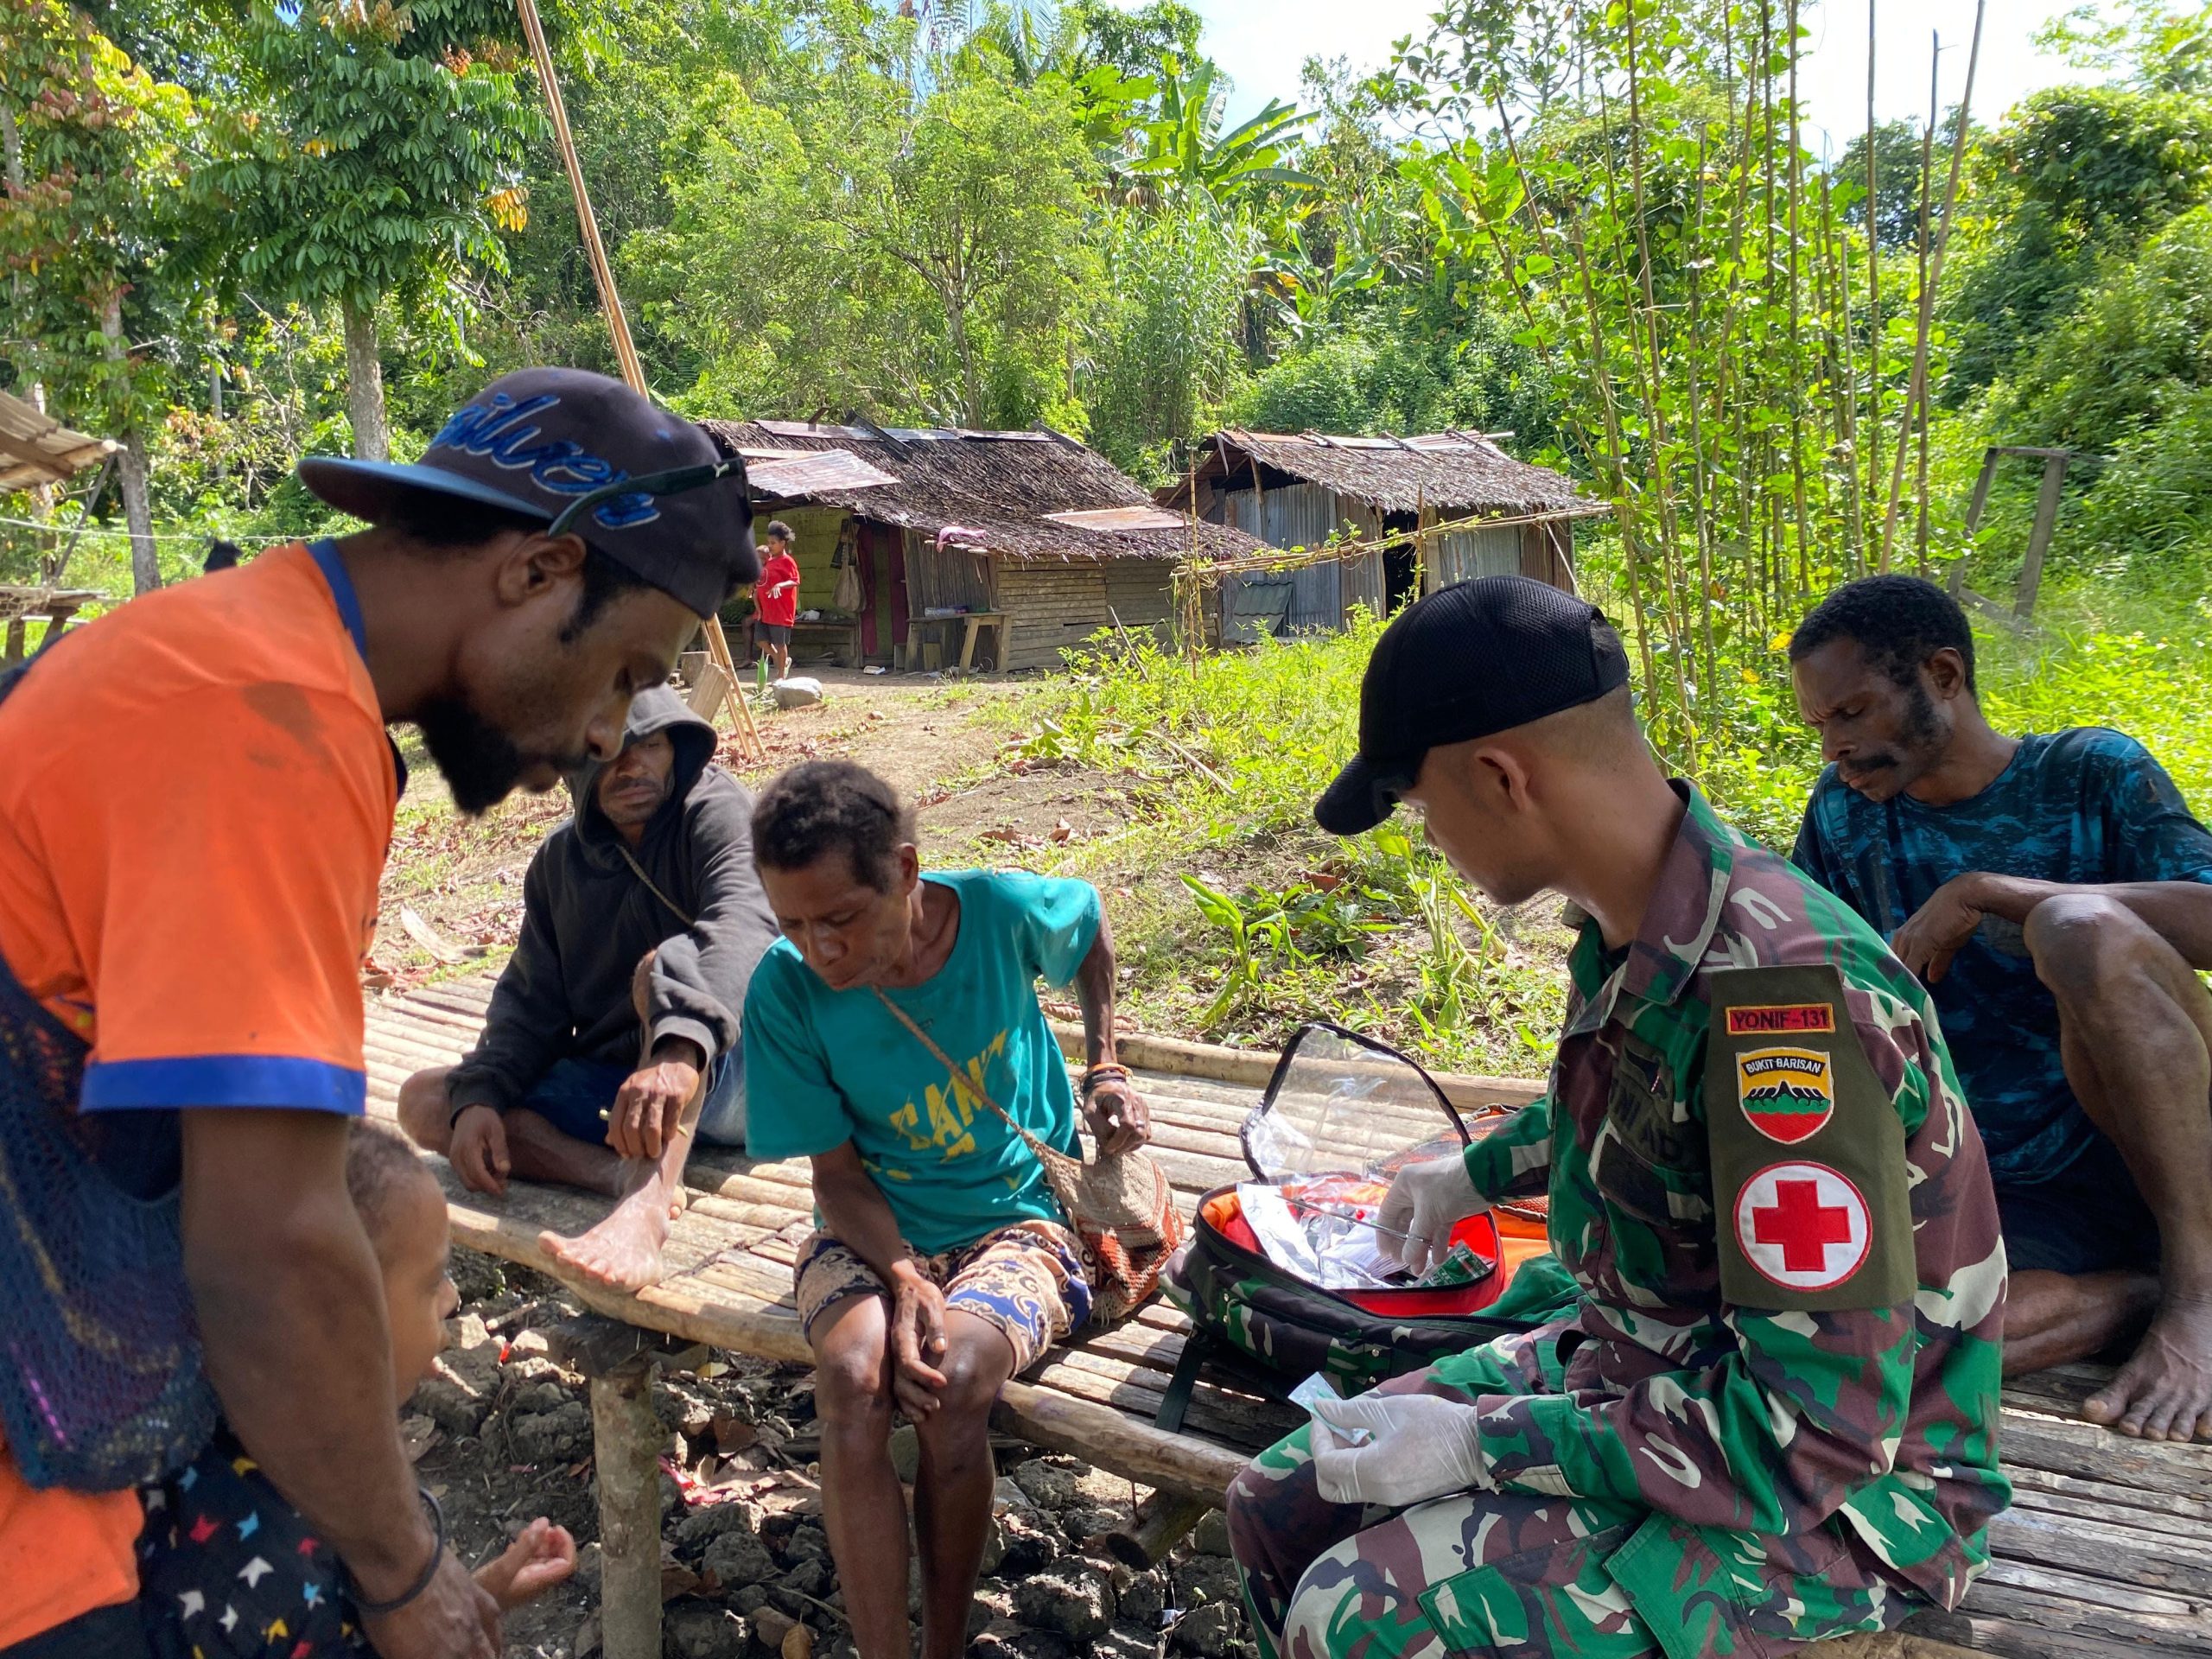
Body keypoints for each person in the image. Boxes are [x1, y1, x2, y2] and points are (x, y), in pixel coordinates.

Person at [0, 366, 755, 1659]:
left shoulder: (228, 643)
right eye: (625, 669)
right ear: (538, 570)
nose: (607, 732)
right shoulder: (270, 719)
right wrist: (409, 1581)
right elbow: (269, 1244)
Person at [1225, 576, 2008, 1659]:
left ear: (1501, 778)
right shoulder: (1640, 926)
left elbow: (1807, 1439)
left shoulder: (1782, 1008)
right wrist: (1472, 1172)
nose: (1427, 835)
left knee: (1359, 1611)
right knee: (1280, 1498)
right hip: (1646, 1364)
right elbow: (1630, 1113)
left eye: (1416, 805)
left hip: (1852, 1501)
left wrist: (1480, 1442)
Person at [1788, 573, 2212, 1443]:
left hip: (2157, 1148)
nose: (1835, 745)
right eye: (1820, 725)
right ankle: (2140, 1289)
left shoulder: (2089, 773)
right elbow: (1801, 983)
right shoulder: (1842, 818)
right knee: (1872, 1349)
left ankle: (2198, 1293)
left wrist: (1991, 892)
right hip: (1999, 1182)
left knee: (2076, 927)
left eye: (1853, 712)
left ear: (1943, 676)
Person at [740, 760, 1148, 1659]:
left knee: (951, 1383)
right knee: (852, 1378)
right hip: (869, 1227)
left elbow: (1087, 926)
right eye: (793, 925)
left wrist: (1106, 1066)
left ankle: (944, 1647)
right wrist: (902, 1278)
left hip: (1019, 1220)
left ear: (906, 871)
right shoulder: (784, 987)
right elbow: (836, 1176)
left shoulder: (997, 913)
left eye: (840, 919)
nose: (819, 950)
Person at [137, 1124, 579, 1657]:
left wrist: (480, 1597)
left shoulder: (207, 1461)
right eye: (430, 1282)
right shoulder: (287, 1562)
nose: (452, 1298)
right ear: (334, 1320)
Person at [396, 684, 777, 1292]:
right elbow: (531, 1008)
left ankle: (647, 1205)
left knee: (661, 969)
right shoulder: (558, 865)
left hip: (732, 1073)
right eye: (611, 752)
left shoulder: (717, 812)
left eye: (651, 747)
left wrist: (677, 1053)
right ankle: (614, 1175)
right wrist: (482, 1096)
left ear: (676, 751)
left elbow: (743, 923)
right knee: (426, 1102)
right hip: (620, 1092)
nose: (632, 766)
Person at [754, 520, 800, 680]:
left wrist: (780, 585)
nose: (770, 546)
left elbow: (795, 580)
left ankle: (781, 677)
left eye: (773, 543)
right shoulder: (770, 561)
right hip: (765, 610)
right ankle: (781, 660)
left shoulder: (787, 561)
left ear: (783, 543)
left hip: (780, 610)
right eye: (769, 542)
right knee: (760, 640)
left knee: (780, 644)